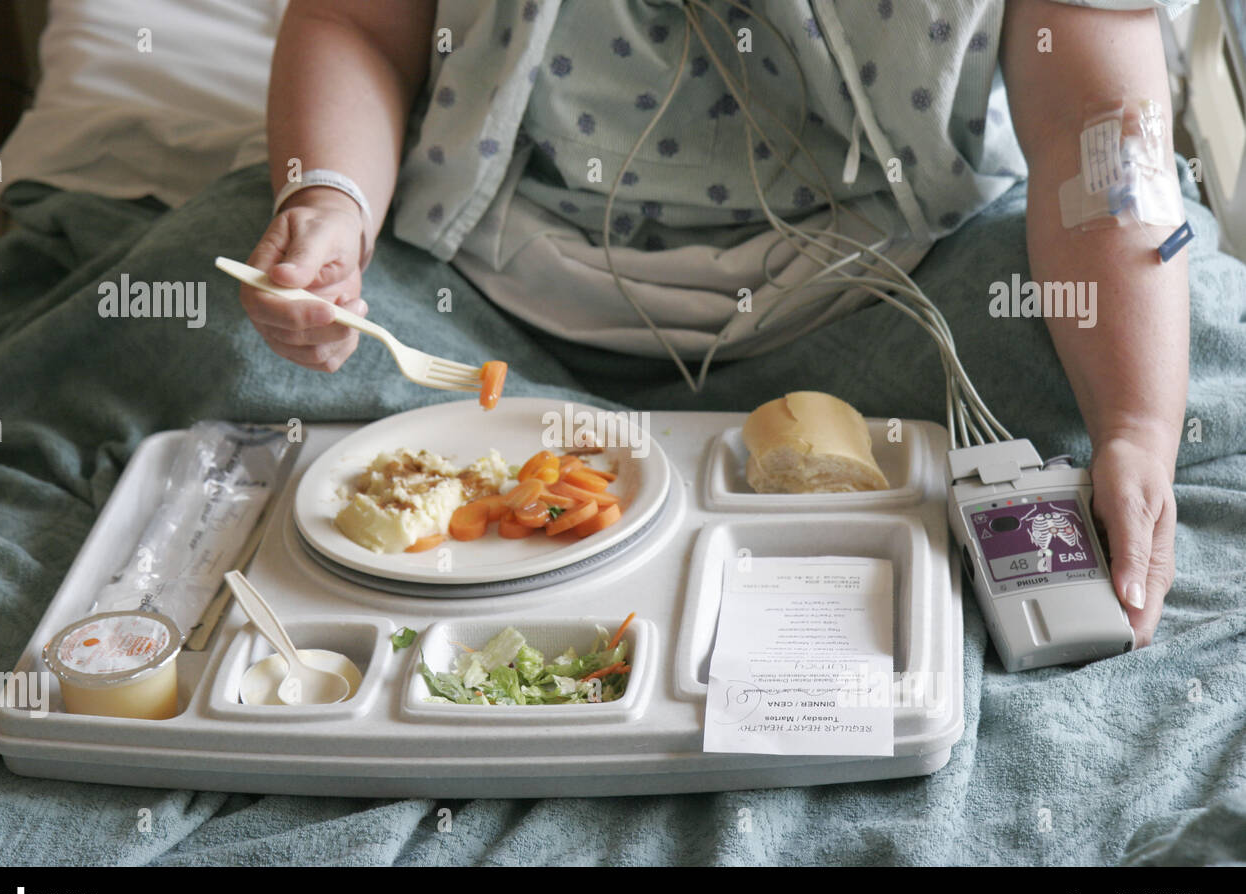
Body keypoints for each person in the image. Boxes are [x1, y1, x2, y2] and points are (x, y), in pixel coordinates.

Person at [239, 0, 1190, 648]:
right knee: (203, 322)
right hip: (489, 288)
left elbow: (1098, 124)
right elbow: (356, 19)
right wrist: (328, 201)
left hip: (896, 284)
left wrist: (1137, 426)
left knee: (1206, 362)